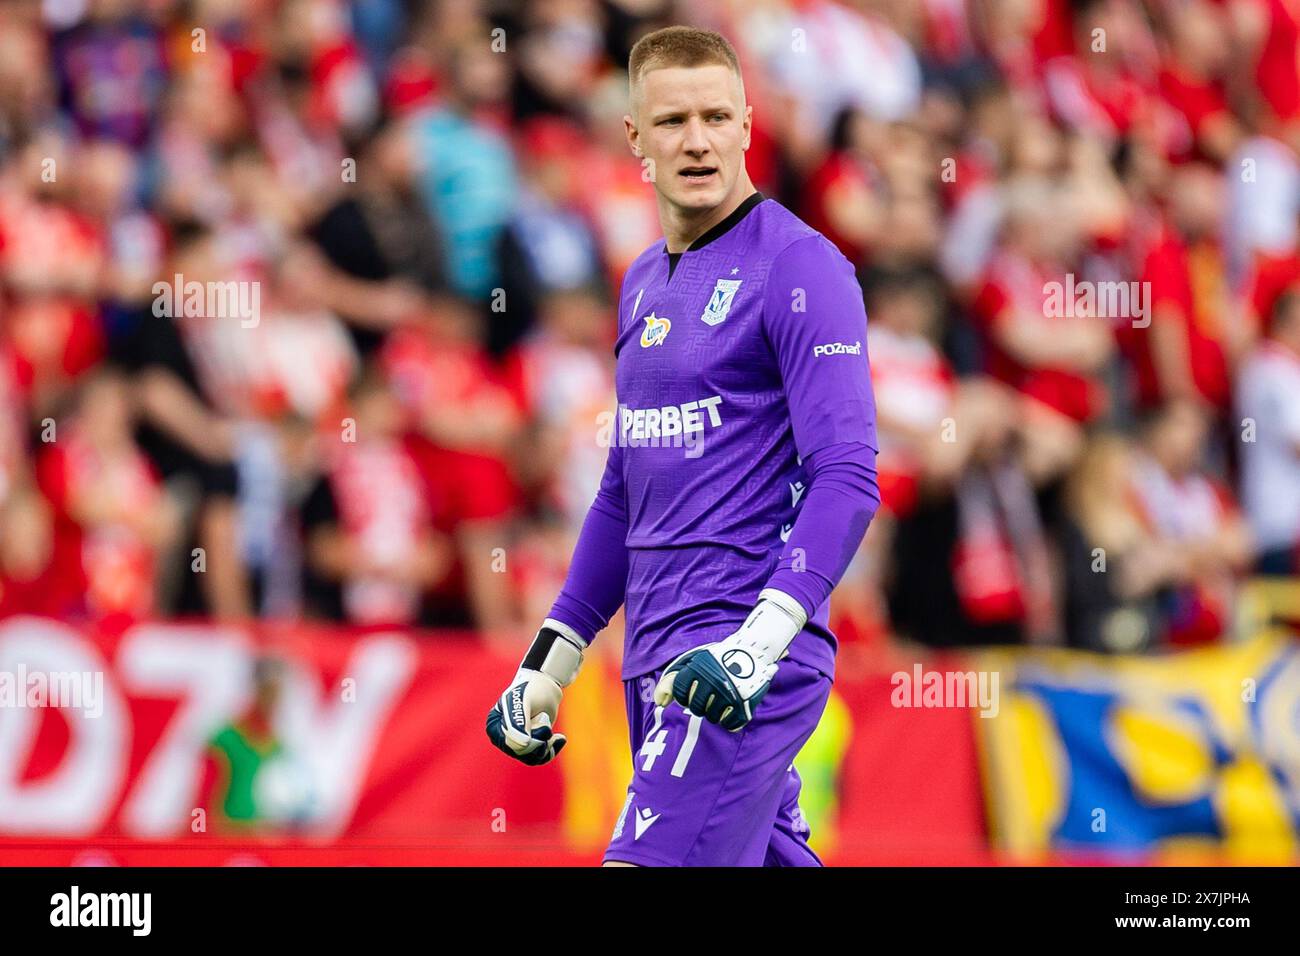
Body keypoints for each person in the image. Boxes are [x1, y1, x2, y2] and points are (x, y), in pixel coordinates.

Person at [484, 26, 880, 867]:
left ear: (746, 124)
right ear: (635, 138)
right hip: (655, 659)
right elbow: (624, 490)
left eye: (715, 117)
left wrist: (753, 648)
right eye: (671, 122)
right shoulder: (637, 283)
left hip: (741, 659)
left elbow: (845, 476)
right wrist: (550, 662)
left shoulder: (803, 268)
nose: (696, 141)